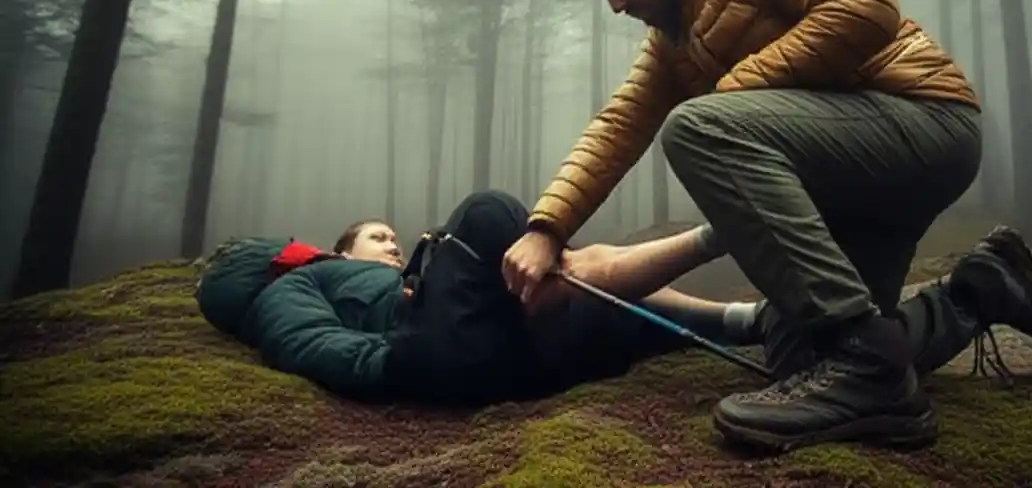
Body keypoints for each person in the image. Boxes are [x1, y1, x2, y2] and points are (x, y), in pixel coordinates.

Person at [501, 0, 1032, 451]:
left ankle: (872, 369)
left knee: (699, 127)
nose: (616, 4)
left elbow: (865, 5)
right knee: (802, 362)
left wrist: (731, 94)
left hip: (926, 122)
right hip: (851, 181)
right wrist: (545, 230)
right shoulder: (673, 39)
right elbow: (619, 126)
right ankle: (980, 293)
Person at [237, 190, 769, 406]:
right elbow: (300, 338)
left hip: (514, 355)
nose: (393, 242)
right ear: (342, 253)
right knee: (486, 213)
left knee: (584, 298)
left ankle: (750, 322)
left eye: (393, 237)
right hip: (434, 356)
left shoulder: (425, 282)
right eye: (377, 238)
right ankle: (717, 236)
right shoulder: (305, 278)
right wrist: (395, 363)